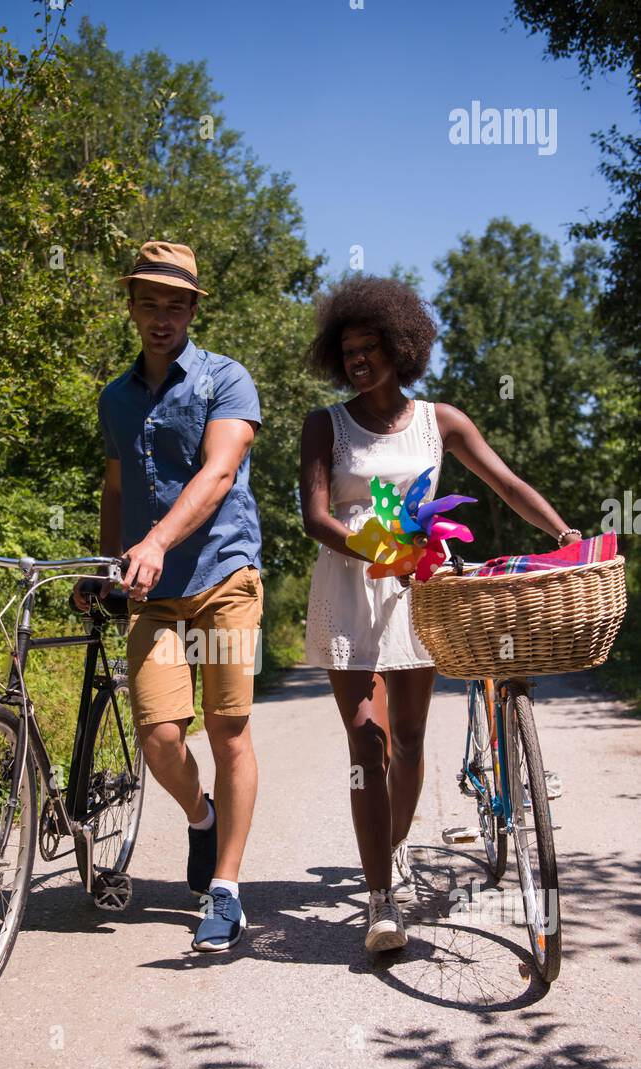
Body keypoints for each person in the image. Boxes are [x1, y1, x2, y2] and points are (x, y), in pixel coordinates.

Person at [299, 275, 582, 953]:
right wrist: (383, 548)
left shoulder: (439, 420)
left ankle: (390, 848)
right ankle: (378, 898)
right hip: (349, 588)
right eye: (347, 350)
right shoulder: (324, 424)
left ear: (401, 347)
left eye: (370, 346)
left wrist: (566, 536)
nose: (358, 359)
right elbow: (315, 517)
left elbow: (506, 483)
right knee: (366, 744)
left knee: (411, 736)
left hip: (416, 592)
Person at [75, 241, 264, 952]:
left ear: (192, 309)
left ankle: (225, 890)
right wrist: (106, 561)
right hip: (151, 595)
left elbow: (218, 474)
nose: (162, 316)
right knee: (159, 737)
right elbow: (118, 484)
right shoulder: (115, 398)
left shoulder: (226, 380)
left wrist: (154, 543)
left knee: (227, 731)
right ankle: (200, 816)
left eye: (175, 303)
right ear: (131, 307)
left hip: (220, 579)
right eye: (148, 302)